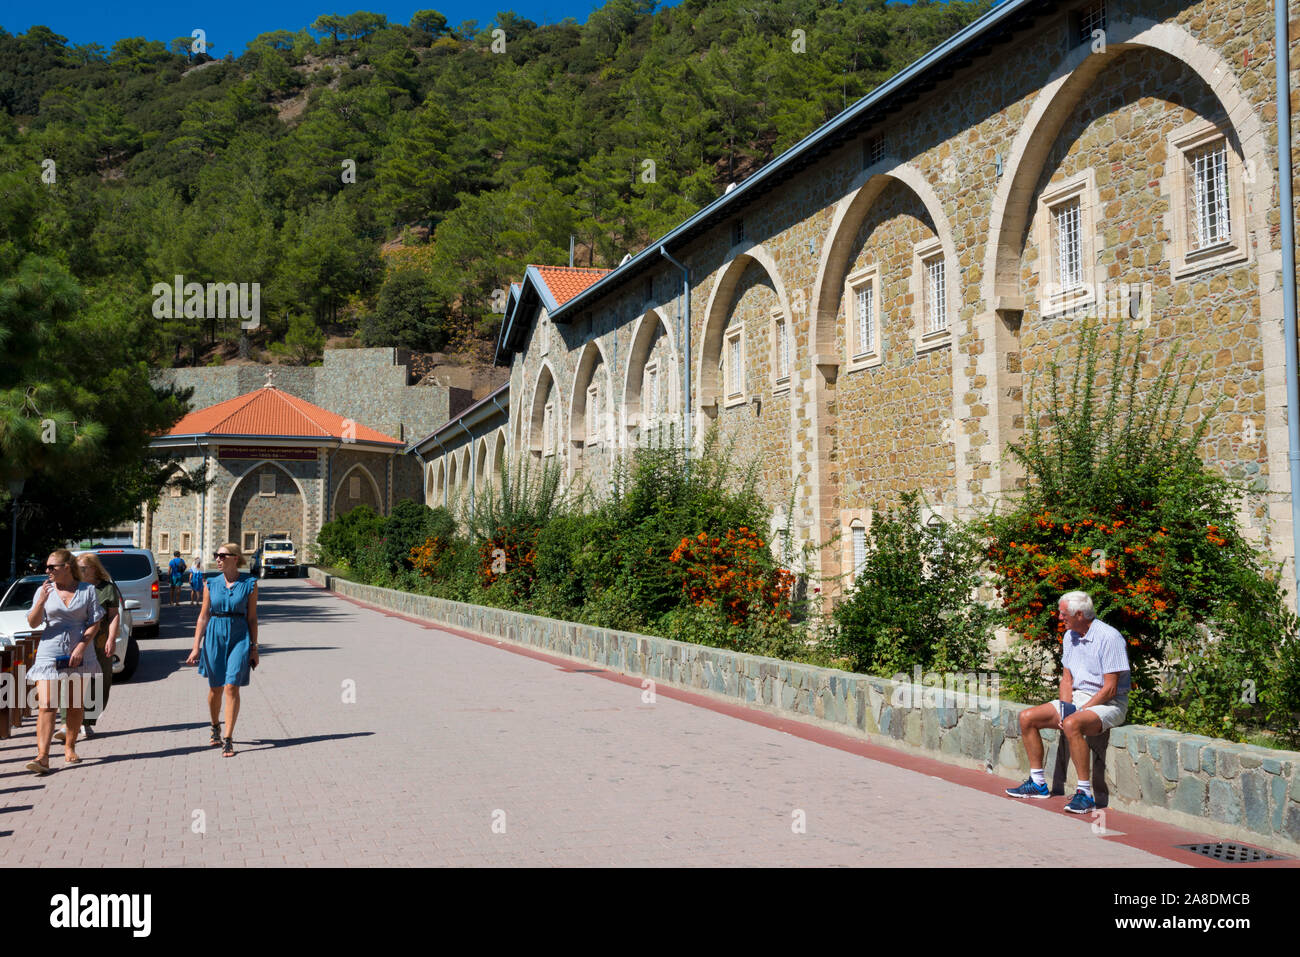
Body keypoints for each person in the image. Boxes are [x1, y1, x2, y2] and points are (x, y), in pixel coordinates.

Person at [1005, 590, 1131, 813]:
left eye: (1064, 614)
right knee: (1027, 718)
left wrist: (1078, 712)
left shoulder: (1110, 638)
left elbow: (1110, 688)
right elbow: (1066, 680)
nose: (1060, 618)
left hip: (1108, 703)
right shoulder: (1069, 636)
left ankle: (1085, 794)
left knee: (1073, 724)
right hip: (1079, 698)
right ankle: (1038, 783)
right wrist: (1066, 708)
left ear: (1080, 614)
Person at [24, 549, 104, 774]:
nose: (47, 571)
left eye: (52, 567)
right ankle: (43, 756)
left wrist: (81, 646)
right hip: (50, 650)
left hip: (80, 651)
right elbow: (33, 622)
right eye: (46, 567)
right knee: (47, 704)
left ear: (67, 567)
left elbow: (94, 622)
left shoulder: (87, 590)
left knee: (74, 704)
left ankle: (70, 747)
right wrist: (41, 601)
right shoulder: (44, 590)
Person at [185, 543, 259, 757]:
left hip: (239, 636)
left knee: (231, 687)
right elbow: (203, 616)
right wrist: (195, 646)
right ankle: (215, 725)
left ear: (235, 558)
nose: (217, 558)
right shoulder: (211, 583)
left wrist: (254, 648)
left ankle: (228, 738)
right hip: (214, 636)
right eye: (216, 555)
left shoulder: (250, 584)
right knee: (215, 688)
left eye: (222, 555)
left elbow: (252, 618)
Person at [53, 553, 120, 740]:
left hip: (100, 641)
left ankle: (87, 722)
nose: (79, 572)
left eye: (83, 568)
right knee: (71, 680)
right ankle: (66, 724)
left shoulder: (107, 589)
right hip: (76, 641)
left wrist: (112, 638)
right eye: (77, 568)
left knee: (100, 682)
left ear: (93, 568)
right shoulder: (74, 587)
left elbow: (114, 615)